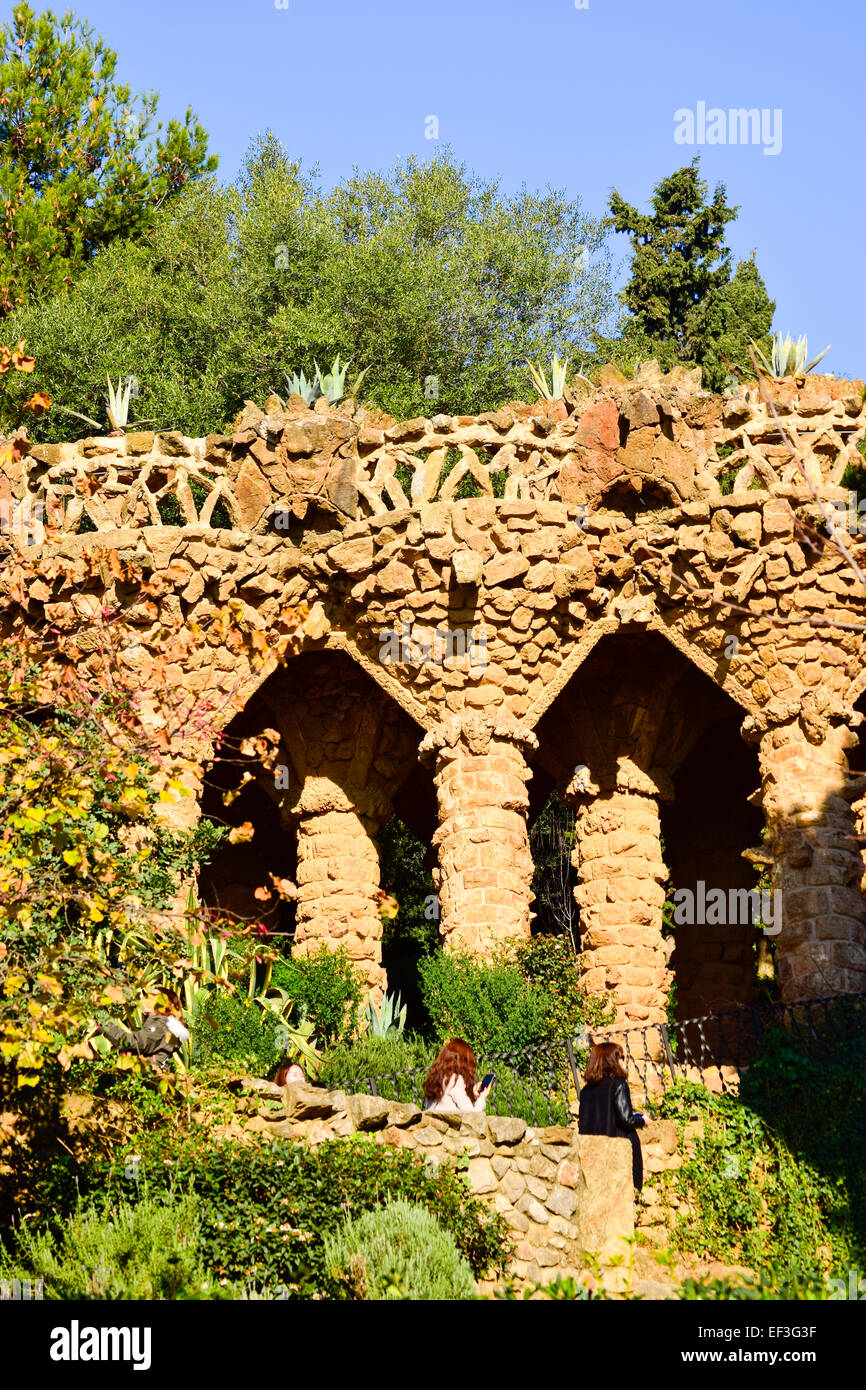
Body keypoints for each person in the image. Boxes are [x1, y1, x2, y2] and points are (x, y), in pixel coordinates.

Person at [577, 1040, 646, 1190]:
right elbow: (626, 1120)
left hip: (595, 1154)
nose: (623, 1061)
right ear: (612, 1060)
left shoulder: (586, 1091)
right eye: (621, 1057)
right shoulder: (618, 1084)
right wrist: (642, 1120)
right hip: (620, 1151)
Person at [98, 987, 190, 1072]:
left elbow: (134, 1043)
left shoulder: (160, 1026)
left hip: (150, 1077)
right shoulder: (160, 1025)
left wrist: (102, 1022)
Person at [422, 1038, 492, 1114]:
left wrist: (475, 1096)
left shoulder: (435, 1078)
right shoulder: (454, 1080)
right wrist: (482, 1098)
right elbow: (472, 1115)